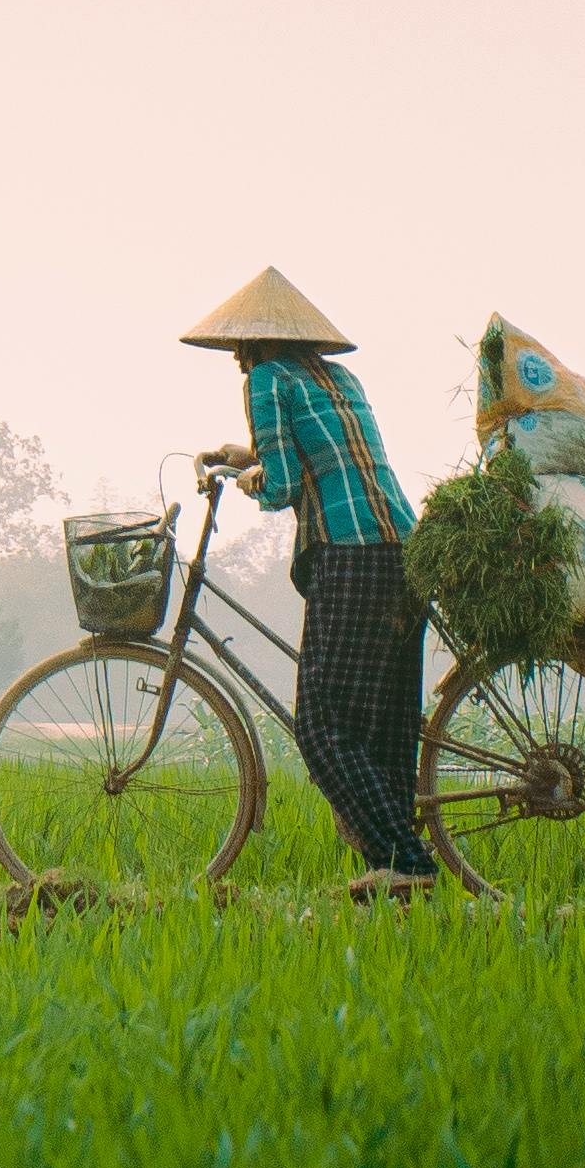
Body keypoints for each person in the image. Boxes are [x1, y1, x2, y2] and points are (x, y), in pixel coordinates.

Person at [183, 264, 428, 882]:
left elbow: (285, 483)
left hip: (350, 556)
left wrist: (252, 482)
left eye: (239, 347)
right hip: (404, 549)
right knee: (384, 726)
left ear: (256, 343)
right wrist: (251, 455)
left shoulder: (266, 379)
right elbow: (323, 455)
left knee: (321, 725)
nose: (238, 360)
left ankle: (406, 863)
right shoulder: (339, 377)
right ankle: (400, 872)